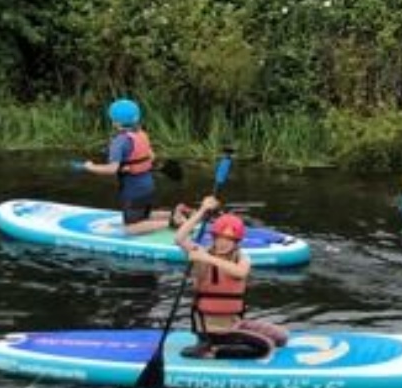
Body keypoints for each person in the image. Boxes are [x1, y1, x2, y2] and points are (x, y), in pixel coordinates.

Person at [174, 196, 289, 359]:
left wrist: (207, 258)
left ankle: (230, 342)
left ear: (237, 242)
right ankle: (213, 352)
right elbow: (179, 238)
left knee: (281, 337)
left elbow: (240, 272)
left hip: (235, 324)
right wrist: (203, 210)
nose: (223, 243)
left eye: (229, 240)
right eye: (220, 238)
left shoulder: (241, 258)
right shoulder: (201, 254)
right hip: (210, 330)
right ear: (214, 237)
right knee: (266, 347)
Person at [72, 98, 172, 235]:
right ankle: (177, 215)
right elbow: (151, 157)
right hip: (148, 185)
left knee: (130, 228)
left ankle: (172, 223)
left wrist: (91, 167)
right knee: (144, 215)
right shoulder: (142, 134)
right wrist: (128, 165)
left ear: (115, 122)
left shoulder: (119, 141)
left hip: (133, 190)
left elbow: (111, 169)